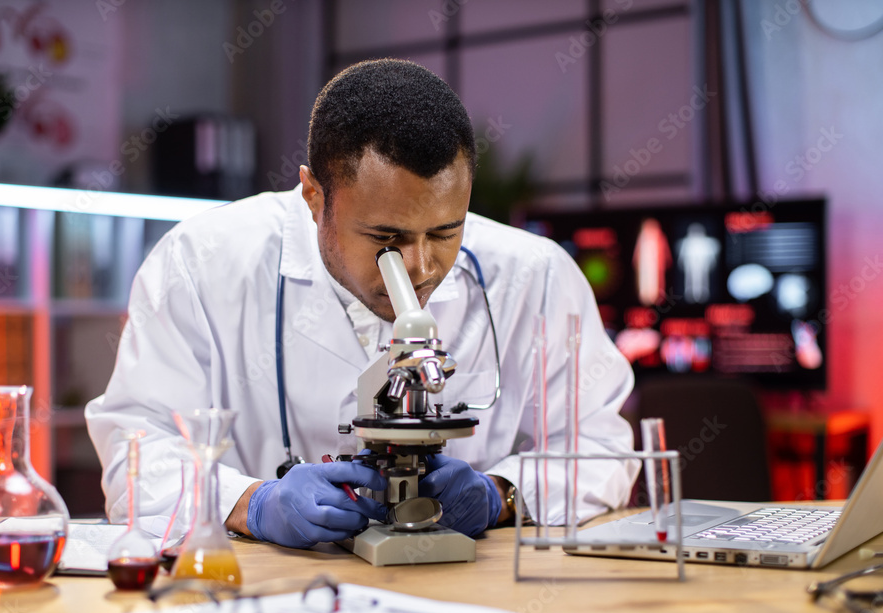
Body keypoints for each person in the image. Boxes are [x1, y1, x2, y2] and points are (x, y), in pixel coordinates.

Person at [86, 59, 638, 549]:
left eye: (446, 232)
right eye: (387, 239)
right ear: (314, 197)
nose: (422, 267)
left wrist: (501, 494)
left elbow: (601, 446)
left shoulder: (535, 276)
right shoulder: (201, 262)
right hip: (265, 606)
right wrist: (251, 504)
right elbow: (137, 454)